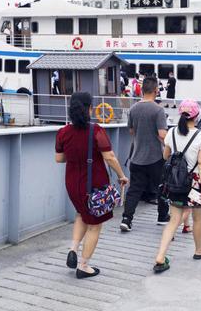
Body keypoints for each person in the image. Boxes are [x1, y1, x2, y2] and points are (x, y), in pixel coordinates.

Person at [55, 92, 129, 279]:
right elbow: (109, 157)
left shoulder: (63, 132)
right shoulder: (95, 131)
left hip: (72, 183)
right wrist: (122, 175)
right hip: (94, 185)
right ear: (89, 109)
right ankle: (84, 266)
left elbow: (59, 158)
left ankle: (73, 248)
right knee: (95, 225)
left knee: (82, 213)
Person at [153, 100, 201, 273]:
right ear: (196, 116)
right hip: (194, 182)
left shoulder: (171, 133)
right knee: (198, 218)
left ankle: (160, 257)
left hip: (175, 182)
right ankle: (199, 250)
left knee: (173, 221)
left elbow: (165, 156)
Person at [120, 76, 170, 232]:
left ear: (142, 90)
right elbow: (162, 135)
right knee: (162, 187)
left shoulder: (133, 109)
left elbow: (131, 131)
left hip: (136, 157)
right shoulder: (158, 110)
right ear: (156, 90)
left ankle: (127, 219)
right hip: (155, 158)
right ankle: (162, 216)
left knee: (134, 189)